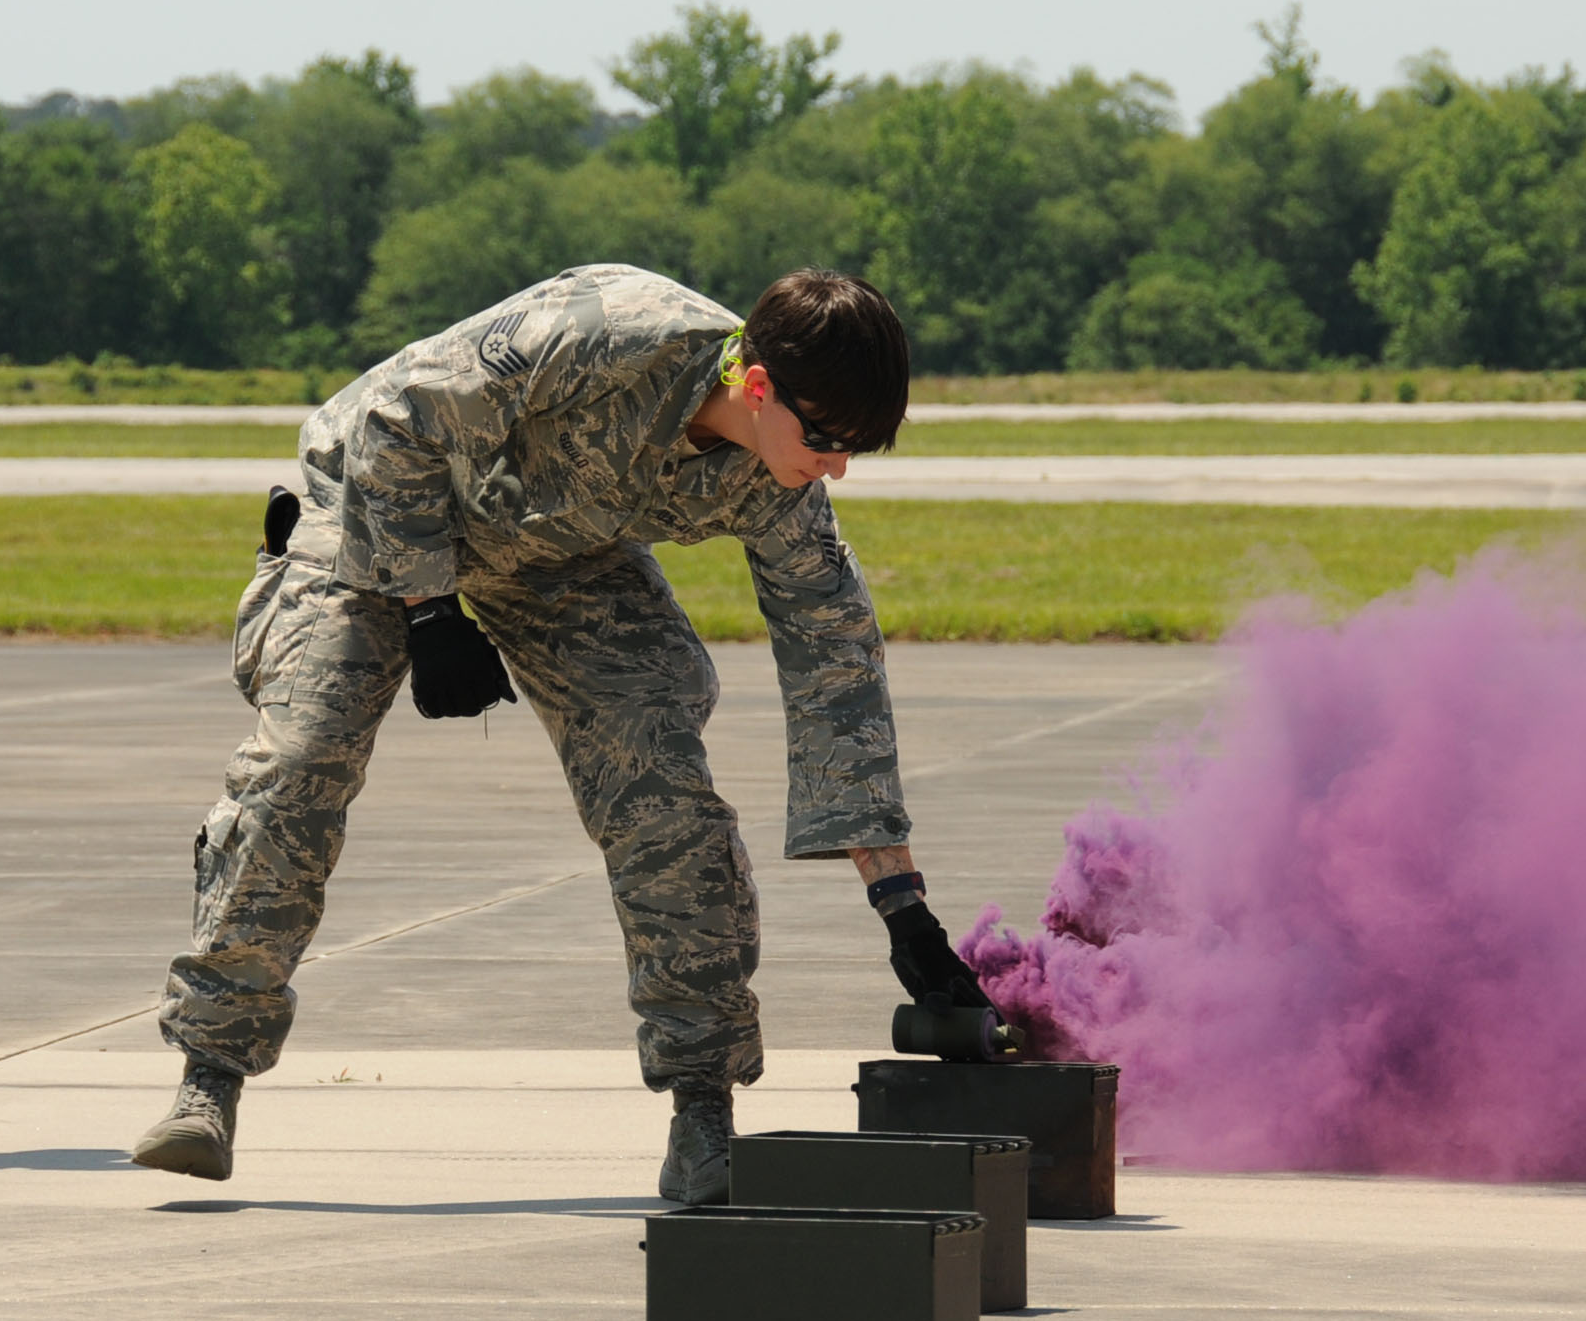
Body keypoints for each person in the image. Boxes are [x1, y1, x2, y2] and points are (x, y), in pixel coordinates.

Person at [133, 265, 992, 1201]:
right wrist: (428, 612)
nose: (831, 467)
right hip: (375, 513)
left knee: (663, 794)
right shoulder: (612, 333)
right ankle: (207, 1076)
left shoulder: (779, 482)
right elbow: (396, 421)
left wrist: (904, 914)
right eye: (823, 438)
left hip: (553, 552)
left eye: (856, 451)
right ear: (755, 385)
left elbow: (837, 671)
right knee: (301, 763)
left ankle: (702, 1109)